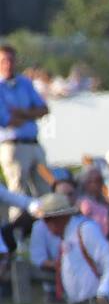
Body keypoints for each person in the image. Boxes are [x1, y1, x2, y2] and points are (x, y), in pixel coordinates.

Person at [36, 192, 109, 304]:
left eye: (48, 219)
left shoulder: (85, 230)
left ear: (61, 217)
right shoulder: (65, 237)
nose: (46, 224)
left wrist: (103, 293)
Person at [0, 45, 51, 212]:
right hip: (13, 145)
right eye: (3, 61)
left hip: (33, 143)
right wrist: (30, 113)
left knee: (45, 191)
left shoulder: (24, 83)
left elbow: (44, 110)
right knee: (18, 194)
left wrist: (22, 112)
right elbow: (9, 120)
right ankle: (17, 234)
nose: (8, 64)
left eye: (10, 60)